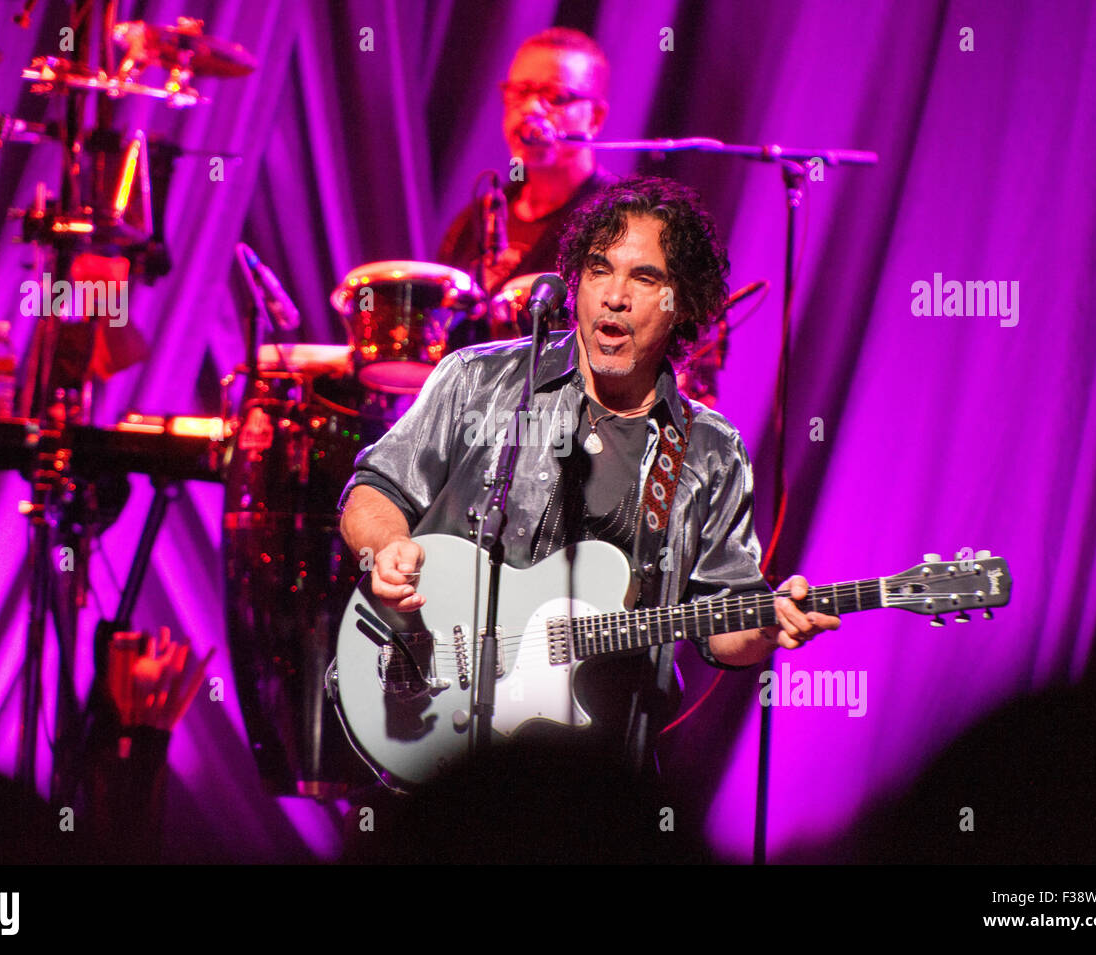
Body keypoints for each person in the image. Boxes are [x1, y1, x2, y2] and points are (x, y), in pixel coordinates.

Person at [340, 176, 839, 768]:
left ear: (684, 303)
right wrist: (389, 546)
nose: (615, 297)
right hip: (442, 723)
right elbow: (375, 489)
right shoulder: (477, 380)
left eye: (645, 278)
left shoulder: (710, 451)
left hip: (597, 776)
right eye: (600, 270)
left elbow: (724, 627)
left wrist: (768, 622)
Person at [438, 27, 615, 327]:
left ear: (595, 118)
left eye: (555, 96)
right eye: (520, 92)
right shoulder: (476, 220)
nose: (531, 109)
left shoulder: (618, 221)